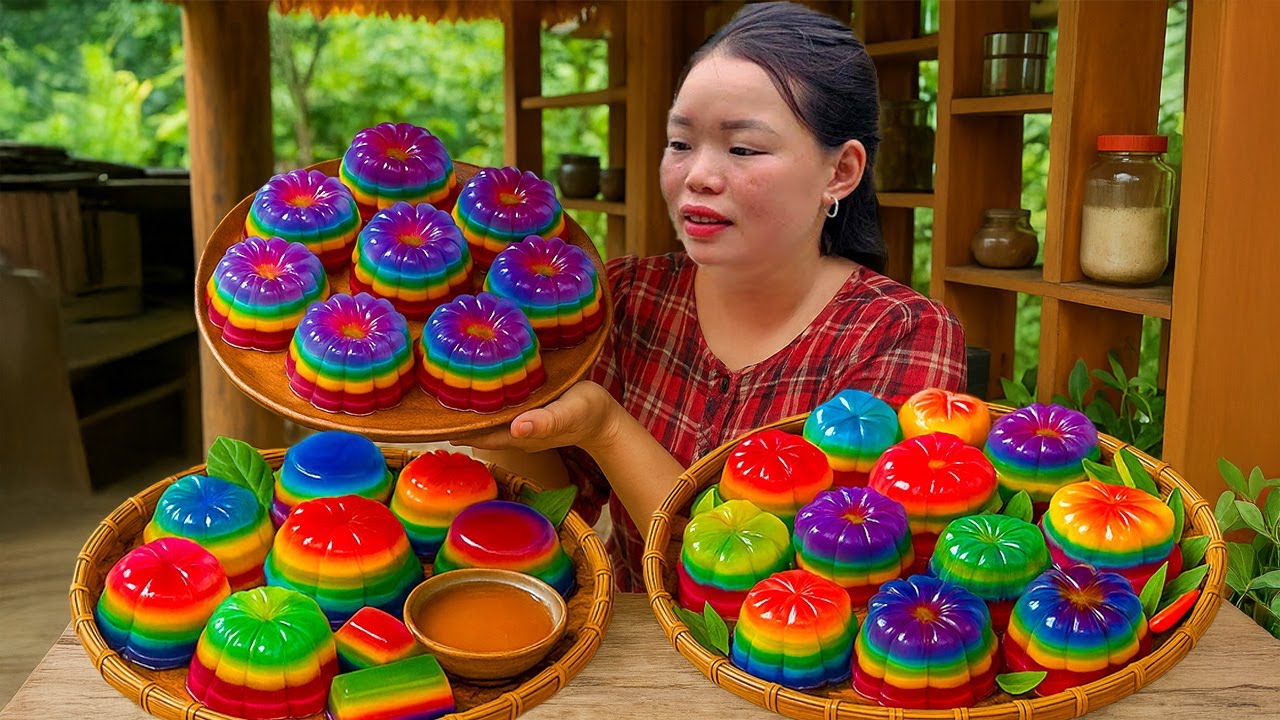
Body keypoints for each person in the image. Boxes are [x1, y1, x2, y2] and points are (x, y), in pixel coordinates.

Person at [466, 1, 967, 591]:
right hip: (636, 657)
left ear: (841, 171)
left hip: (796, 677)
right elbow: (555, 509)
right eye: (681, 143)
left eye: (743, 148)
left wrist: (607, 427)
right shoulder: (626, 294)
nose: (698, 175)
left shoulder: (902, 333)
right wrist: (492, 406)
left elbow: (813, 585)